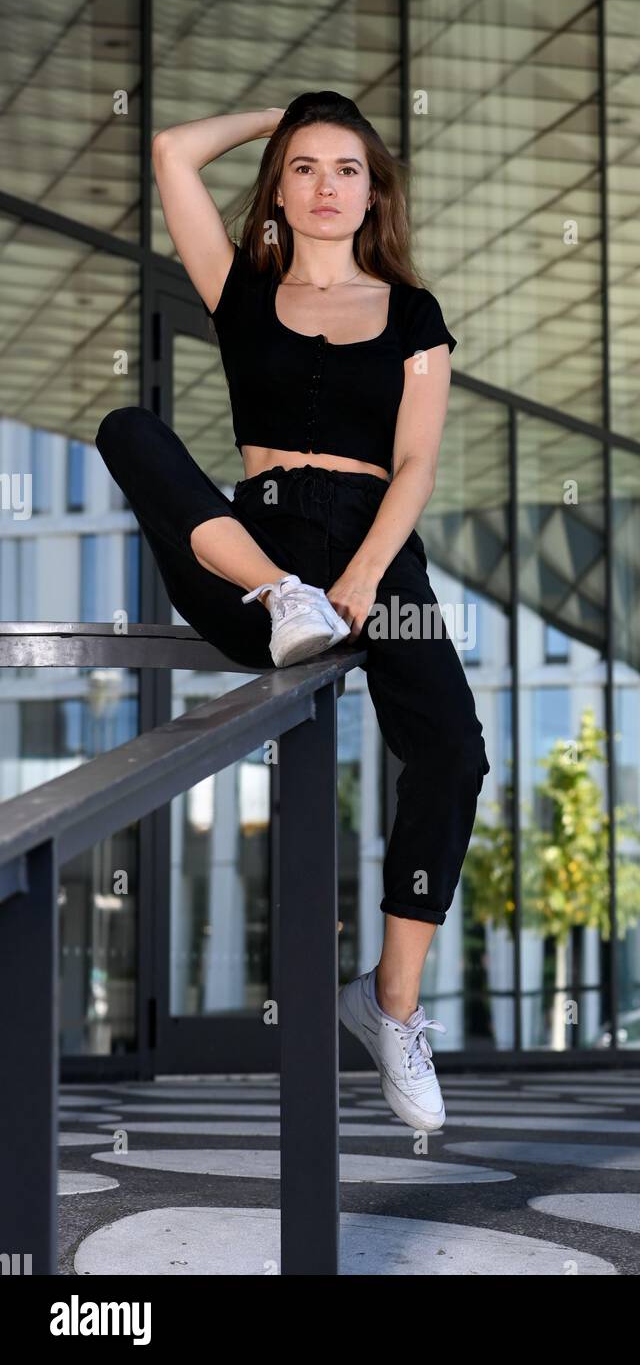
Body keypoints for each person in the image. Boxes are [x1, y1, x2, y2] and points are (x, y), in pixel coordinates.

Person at [94, 90, 490, 1132]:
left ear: (374, 190)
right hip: (248, 546)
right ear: (277, 184)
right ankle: (278, 596)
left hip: (372, 553)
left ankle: (390, 1002)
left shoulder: (412, 314)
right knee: (128, 425)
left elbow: (413, 465)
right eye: (303, 166)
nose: (325, 186)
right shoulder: (239, 287)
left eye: (347, 167)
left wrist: (361, 578)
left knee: (453, 750)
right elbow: (174, 147)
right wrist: (278, 110)